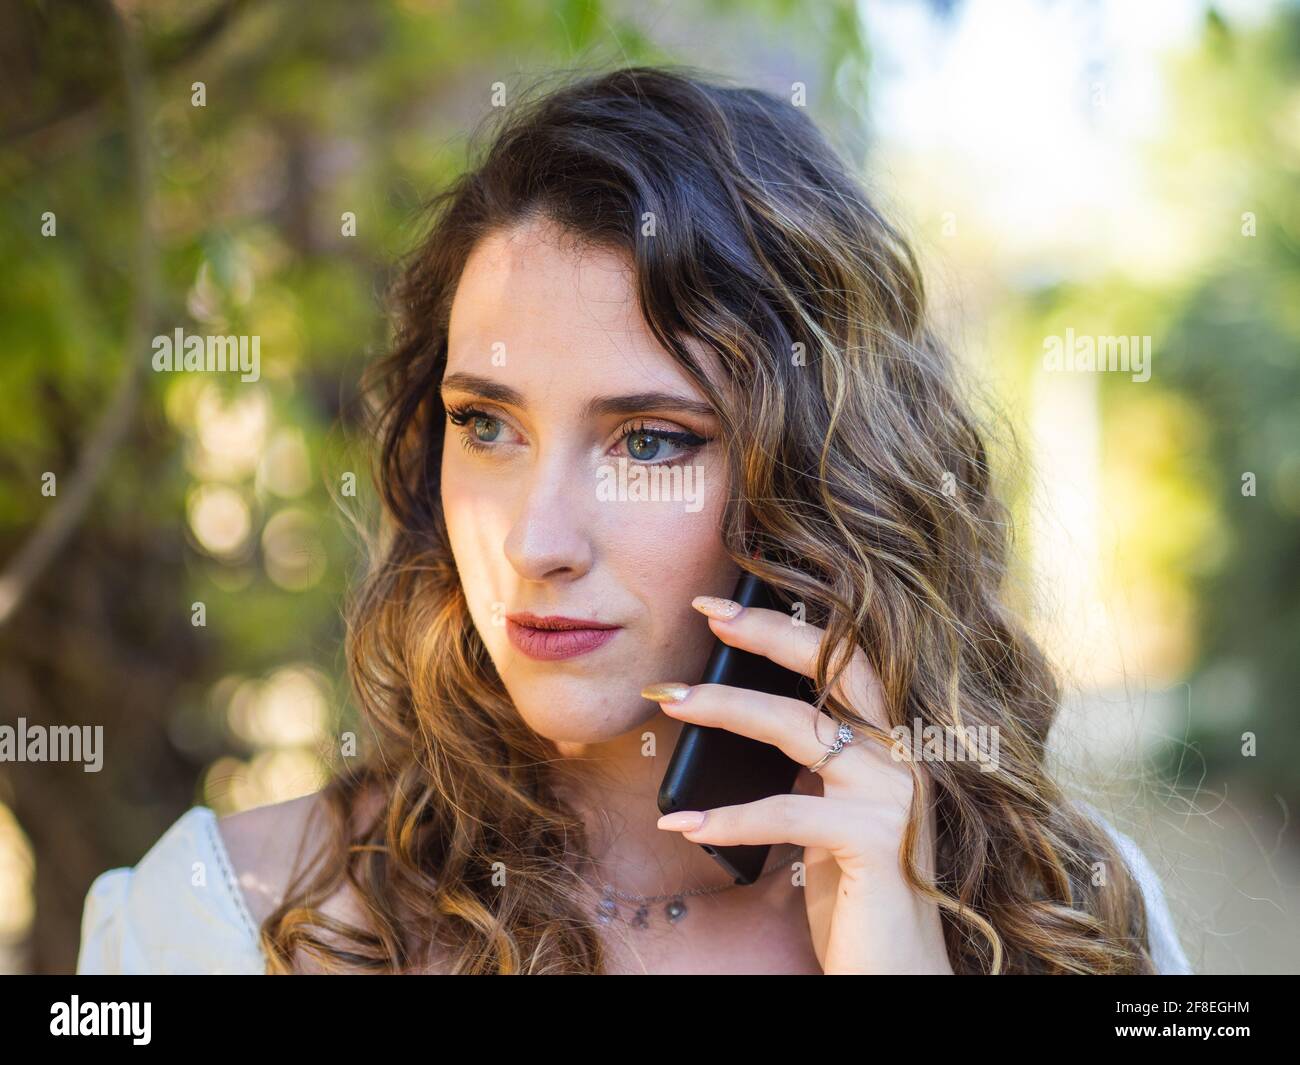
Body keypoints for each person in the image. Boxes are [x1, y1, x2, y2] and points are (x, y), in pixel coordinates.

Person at [77, 66, 1192, 975]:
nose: (534, 544)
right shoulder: (220, 924)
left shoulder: (1071, 913)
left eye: (649, 440)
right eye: (486, 426)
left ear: (815, 483)